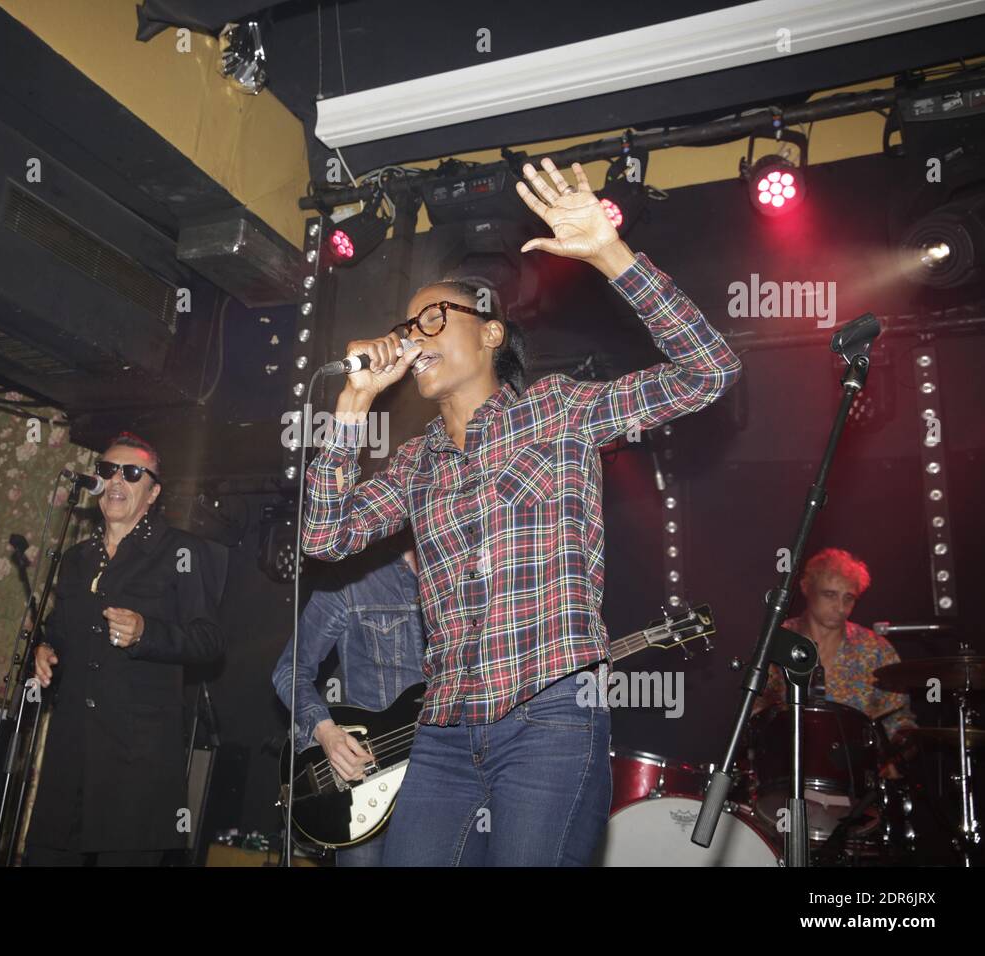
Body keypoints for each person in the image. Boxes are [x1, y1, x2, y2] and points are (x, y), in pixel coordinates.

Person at [301, 159, 742, 866]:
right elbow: (325, 537)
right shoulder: (416, 461)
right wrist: (353, 406)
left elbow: (709, 372)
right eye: (406, 327)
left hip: (549, 717)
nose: (414, 338)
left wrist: (610, 253)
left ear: (491, 334)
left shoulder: (556, 411)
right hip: (443, 729)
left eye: (433, 318)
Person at [27, 433, 225, 866]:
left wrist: (146, 632)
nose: (116, 479)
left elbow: (209, 641)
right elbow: (59, 632)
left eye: (132, 472)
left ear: (152, 493)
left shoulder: (181, 552)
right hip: (71, 750)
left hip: (137, 758)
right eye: (107, 470)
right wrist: (45, 649)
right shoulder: (76, 558)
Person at [272, 537, 425, 866]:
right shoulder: (354, 577)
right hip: (365, 779)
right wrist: (326, 733)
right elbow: (290, 669)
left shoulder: (466, 578)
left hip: (445, 781)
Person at [755, 547, 917, 773]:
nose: (840, 608)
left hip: (853, 778)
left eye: (848, 598)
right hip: (780, 774)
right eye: (830, 595)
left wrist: (896, 757)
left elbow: (900, 722)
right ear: (806, 588)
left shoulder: (875, 650)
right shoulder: (775, 641)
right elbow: (750, 713)